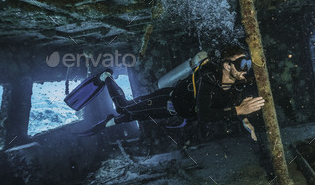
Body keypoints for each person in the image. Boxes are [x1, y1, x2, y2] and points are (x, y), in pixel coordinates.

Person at [80, 45, 265, 138]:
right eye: (242, 64)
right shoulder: (208, 79)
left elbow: (236, 107)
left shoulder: (235, 87)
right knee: (124, 106)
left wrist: (247, 123)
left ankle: (110, 121)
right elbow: (204, 114)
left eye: (248, 65)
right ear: (227, 65)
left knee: (136, 115)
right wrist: (240, 111)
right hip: (164, 100)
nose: (246, 70)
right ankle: (107, 77)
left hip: (172, 111)